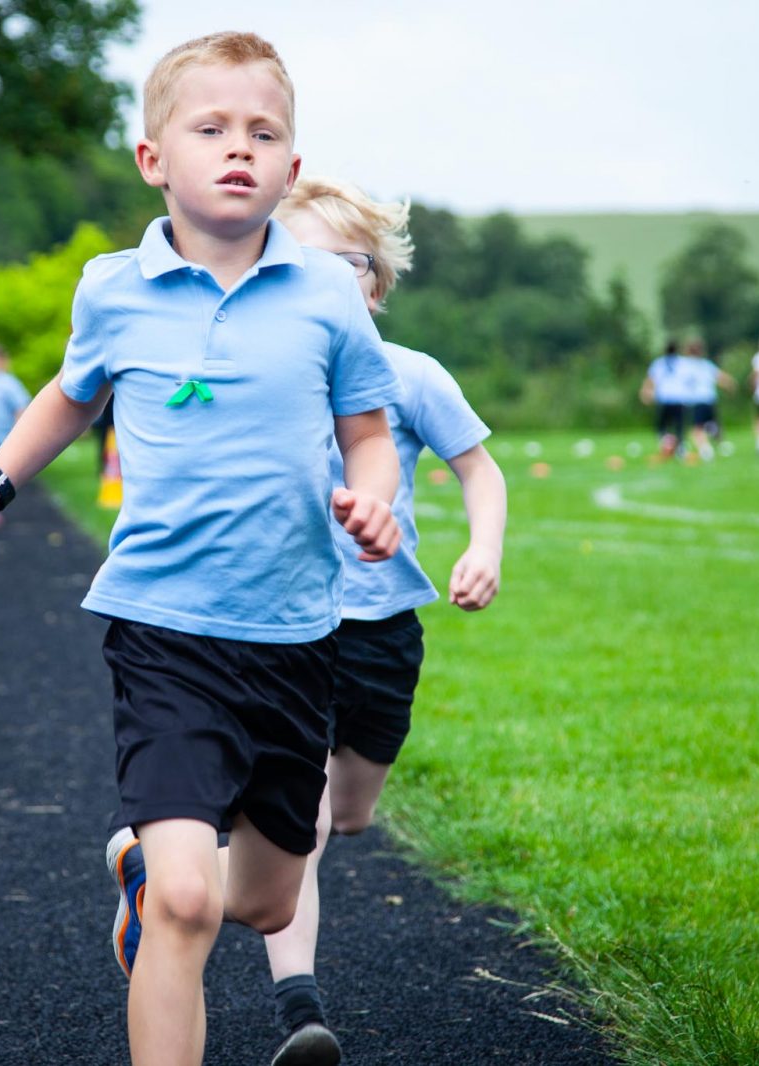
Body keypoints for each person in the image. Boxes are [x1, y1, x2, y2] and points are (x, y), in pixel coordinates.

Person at [0, 31, 403, 1066]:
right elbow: (68, 394)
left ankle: (144, 870)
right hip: (163, 628)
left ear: (292, 166)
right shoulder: (113, 289)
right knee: (188, 905)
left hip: (293, 633)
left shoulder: (323, 294)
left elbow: (367, 429)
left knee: (265, 902)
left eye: (263, 132)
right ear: (153, 159)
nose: (239, 149)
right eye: (212, 128)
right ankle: (163, 882)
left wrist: (373, 500)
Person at [251, 176, 507, 1066]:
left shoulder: (411, 376)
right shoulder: (265, 373)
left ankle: (154, 854)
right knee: (307, 821)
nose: (323, 279)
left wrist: (485, 549)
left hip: (384, 627)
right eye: (301, 262)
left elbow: (482, 470)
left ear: (374, 282)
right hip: (287, 625)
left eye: (344, 263)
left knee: (353, 812)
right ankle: (301, 1013)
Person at [681, 340, 735, 461]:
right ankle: (721, 445)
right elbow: (723, 378)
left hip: (696, 400)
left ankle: (705, 450)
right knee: (713, 425)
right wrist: (730, 386)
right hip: (710, 399)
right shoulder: (706, 364)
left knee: (697, 428)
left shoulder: (684, 365)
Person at [639, 340, 689, 457]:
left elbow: (650, 380)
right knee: (679, 427)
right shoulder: (683, 363)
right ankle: (679, 450)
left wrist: (645, 393)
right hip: (680, 399)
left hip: (664, 399)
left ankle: (666, 448)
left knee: (661, 428)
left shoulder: (658, 363)